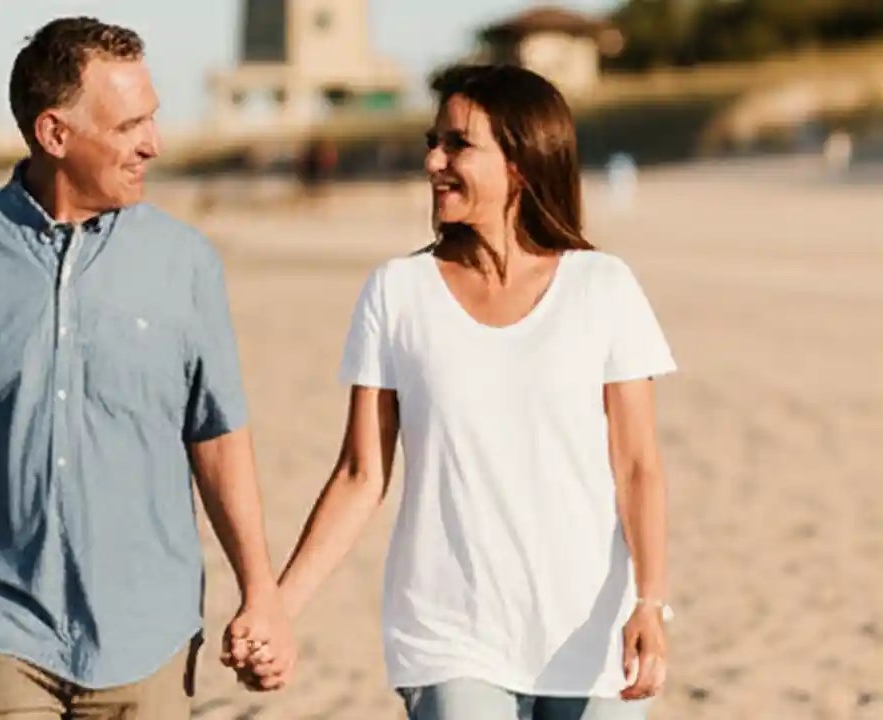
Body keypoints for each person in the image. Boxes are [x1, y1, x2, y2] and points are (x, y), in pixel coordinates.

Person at [0, 17, 293, 720]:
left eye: (152, 119)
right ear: (54, 134)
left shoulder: (186, 266)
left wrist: (260, 593)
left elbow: (218, 441)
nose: (154, 142)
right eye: (129, 126)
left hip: (147, 638)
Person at [226, 64, 677, 719]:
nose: (434, 160)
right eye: (432, 142)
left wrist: (651, 603)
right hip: (451, 635)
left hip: (594, 632)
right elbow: (361, 474)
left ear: (521, 164)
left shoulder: (603, 288)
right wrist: (279, 607)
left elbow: (638, 467)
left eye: (458, 144)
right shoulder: (397, 293)